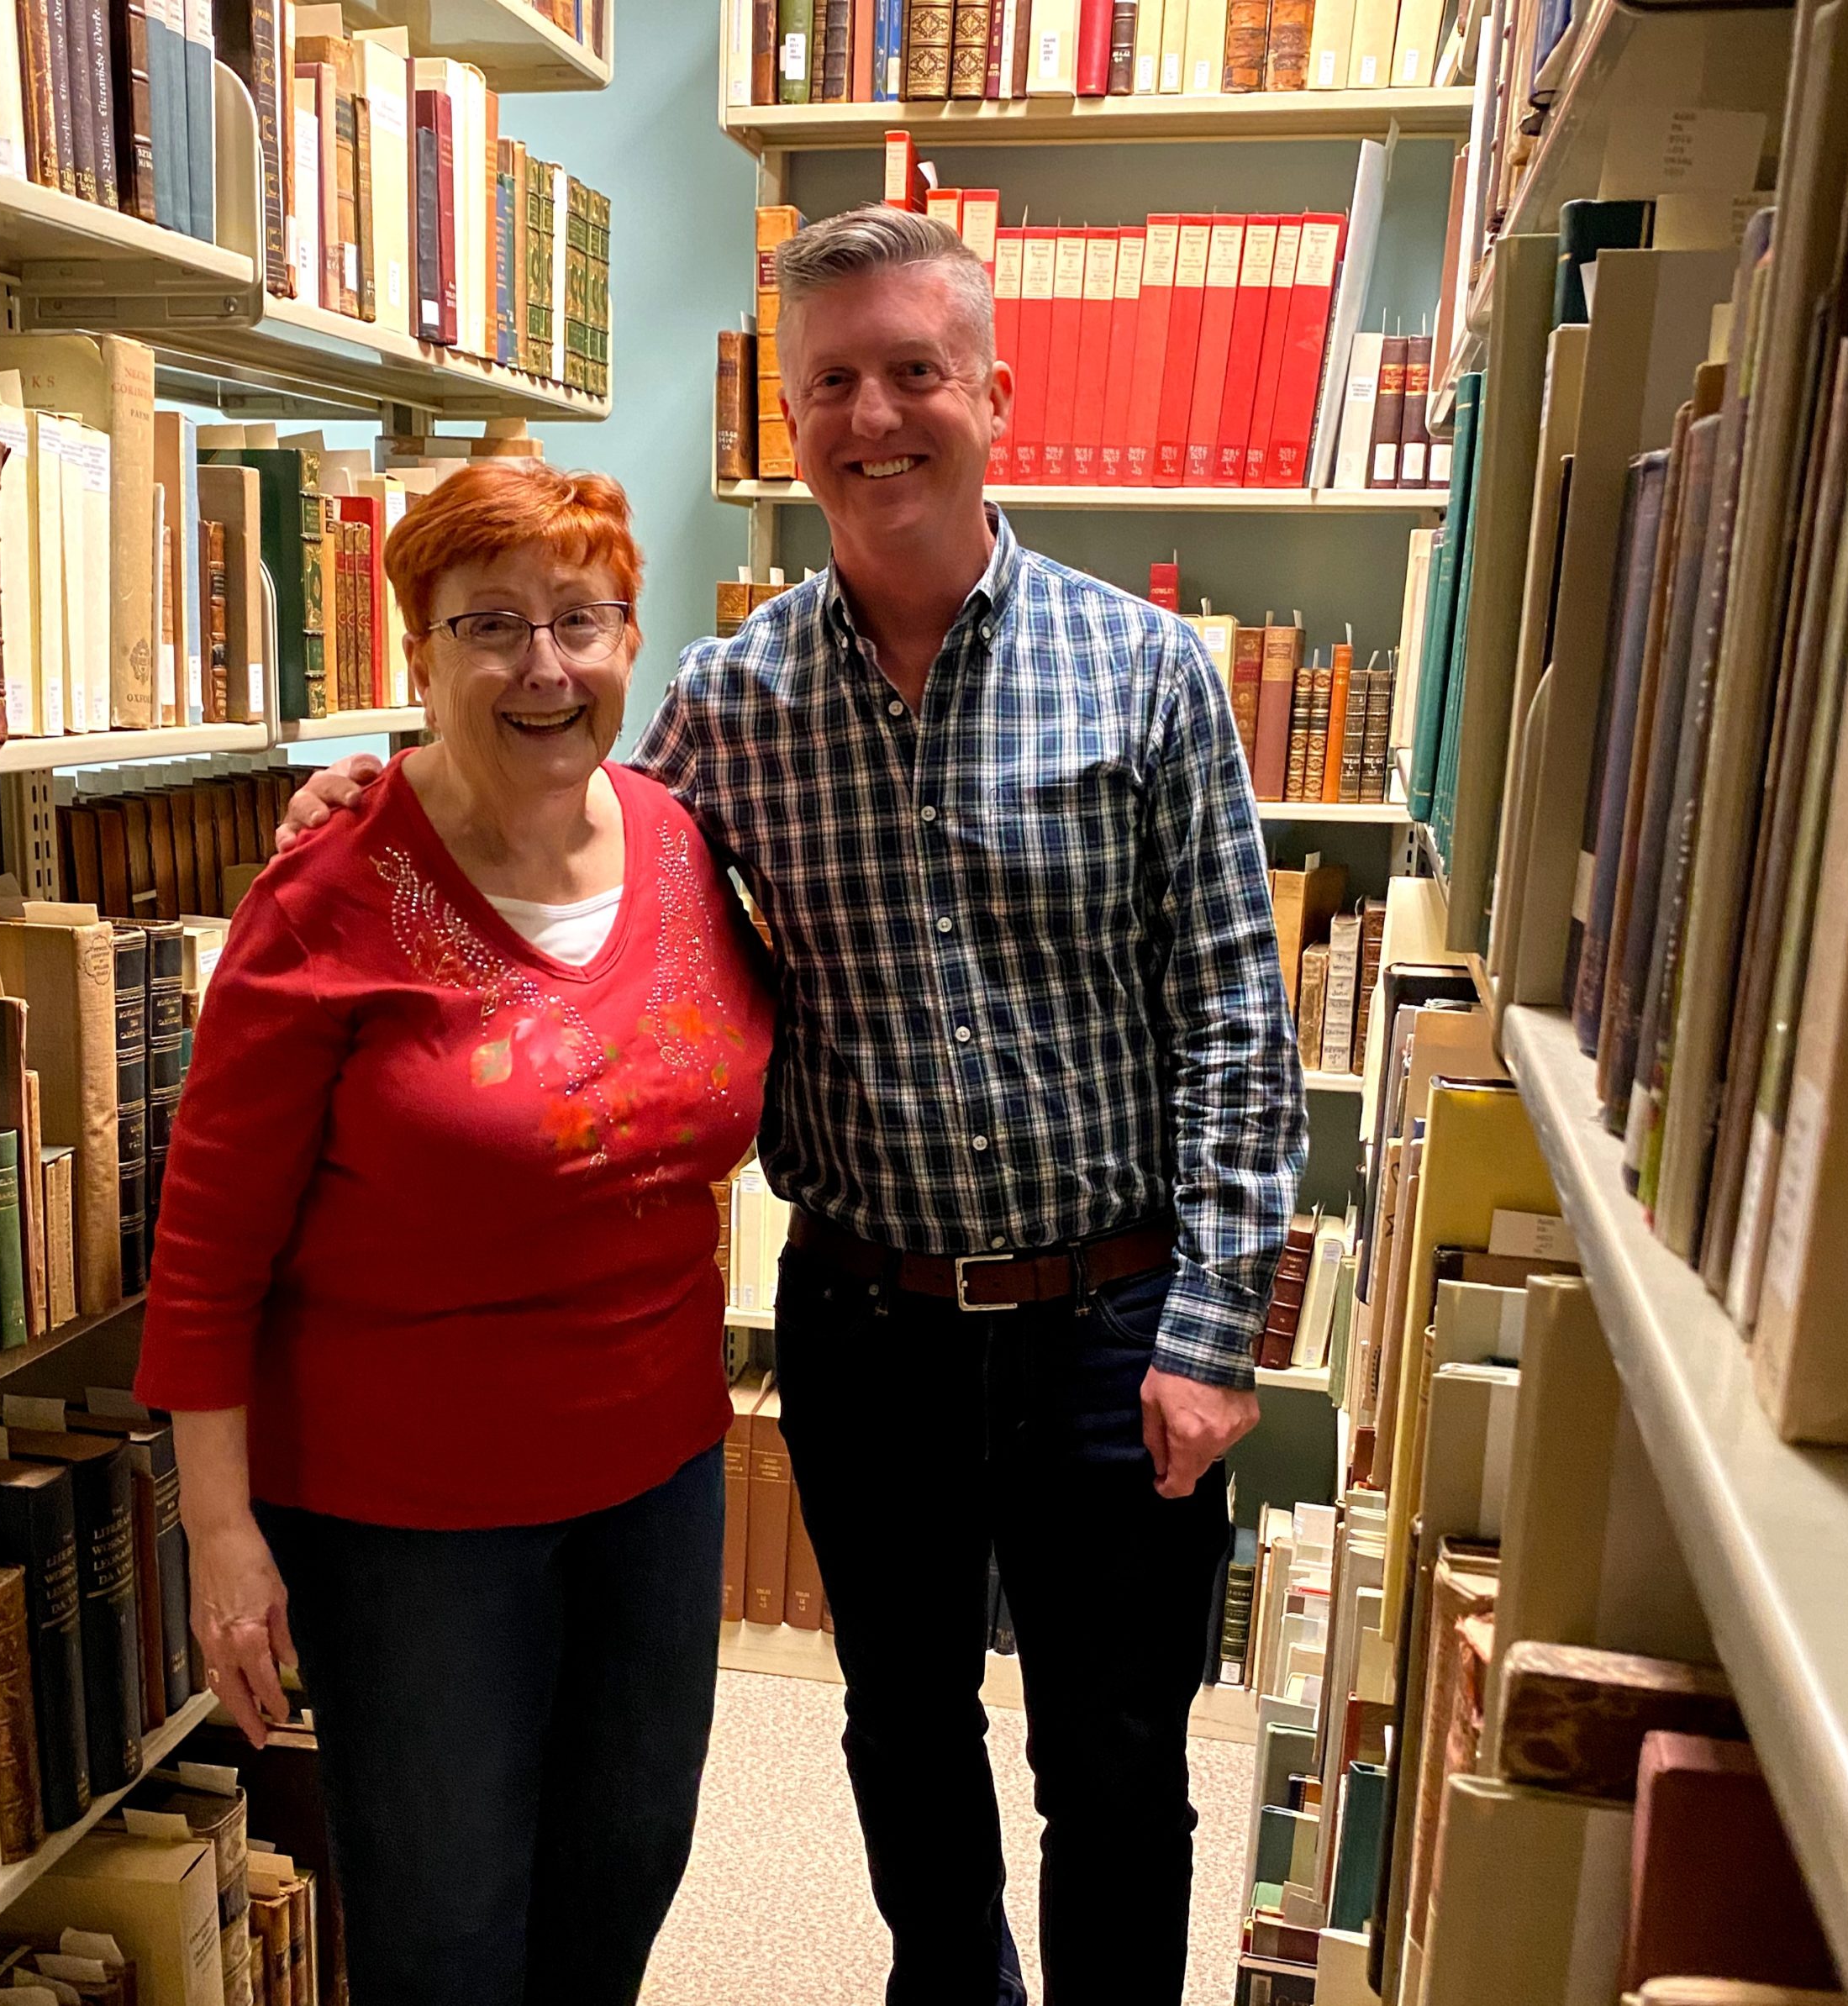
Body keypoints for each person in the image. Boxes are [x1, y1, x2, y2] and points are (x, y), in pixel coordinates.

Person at [280, 206, 1306, 2006]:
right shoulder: (726, 703)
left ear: (994, 392)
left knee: (1118, 1762)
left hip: (1115, 1322)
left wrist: (1214, 1330)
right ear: (788, 418)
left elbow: (1231, 1005)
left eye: (913, 370)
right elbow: (552, 837)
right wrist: (377, 801)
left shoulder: (1148, 674)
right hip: (865, 1325)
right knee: (902, 1733)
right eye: (829, 380)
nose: (872, 414)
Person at [136, 460, 774, 2006]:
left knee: (624, 1874)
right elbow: (209, 1248)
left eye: (582, 620)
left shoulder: (683, 843)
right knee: (445, 1934)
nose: (543, 666)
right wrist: (223, 1542)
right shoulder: (328, 889)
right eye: (489, 626)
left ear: (636, 637)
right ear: (416, 651)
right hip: (409, 1518)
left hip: (661, 1474)